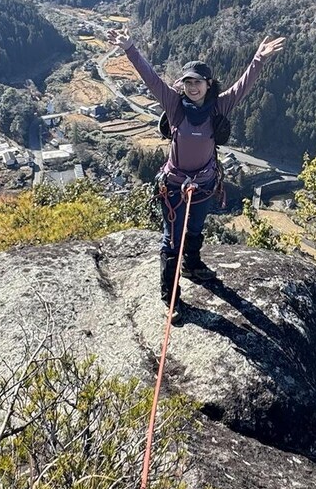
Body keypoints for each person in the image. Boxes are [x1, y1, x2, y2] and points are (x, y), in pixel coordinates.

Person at [104, 27, 286, 305]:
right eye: (188, 82)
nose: (192, 87)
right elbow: (151, 79)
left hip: (203, 185)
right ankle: (170, 297)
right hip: (174, 187)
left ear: (208, 84)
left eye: (197, 82)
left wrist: (258, 59)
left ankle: (191, 265)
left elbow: (243, 86)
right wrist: (130, 48)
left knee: (196, 229)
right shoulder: (174, 105)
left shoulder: (219, 107)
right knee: (171, 240)